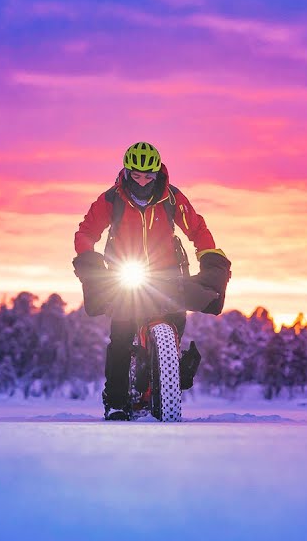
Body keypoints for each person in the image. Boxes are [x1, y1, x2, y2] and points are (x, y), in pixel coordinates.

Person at [72, 141, 231, 420]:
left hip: (168, 272)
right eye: (136, 175)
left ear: (157, 173)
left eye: (148, 175)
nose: (142, 180)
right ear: (127, 172)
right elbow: (86, 231)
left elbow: (197, 228)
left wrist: (208, 255)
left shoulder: (172, 198)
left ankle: (171, 373)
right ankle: (117, 402)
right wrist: (89, 257)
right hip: (124, 272)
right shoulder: (111, 199)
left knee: (175, 327)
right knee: (120, 337)